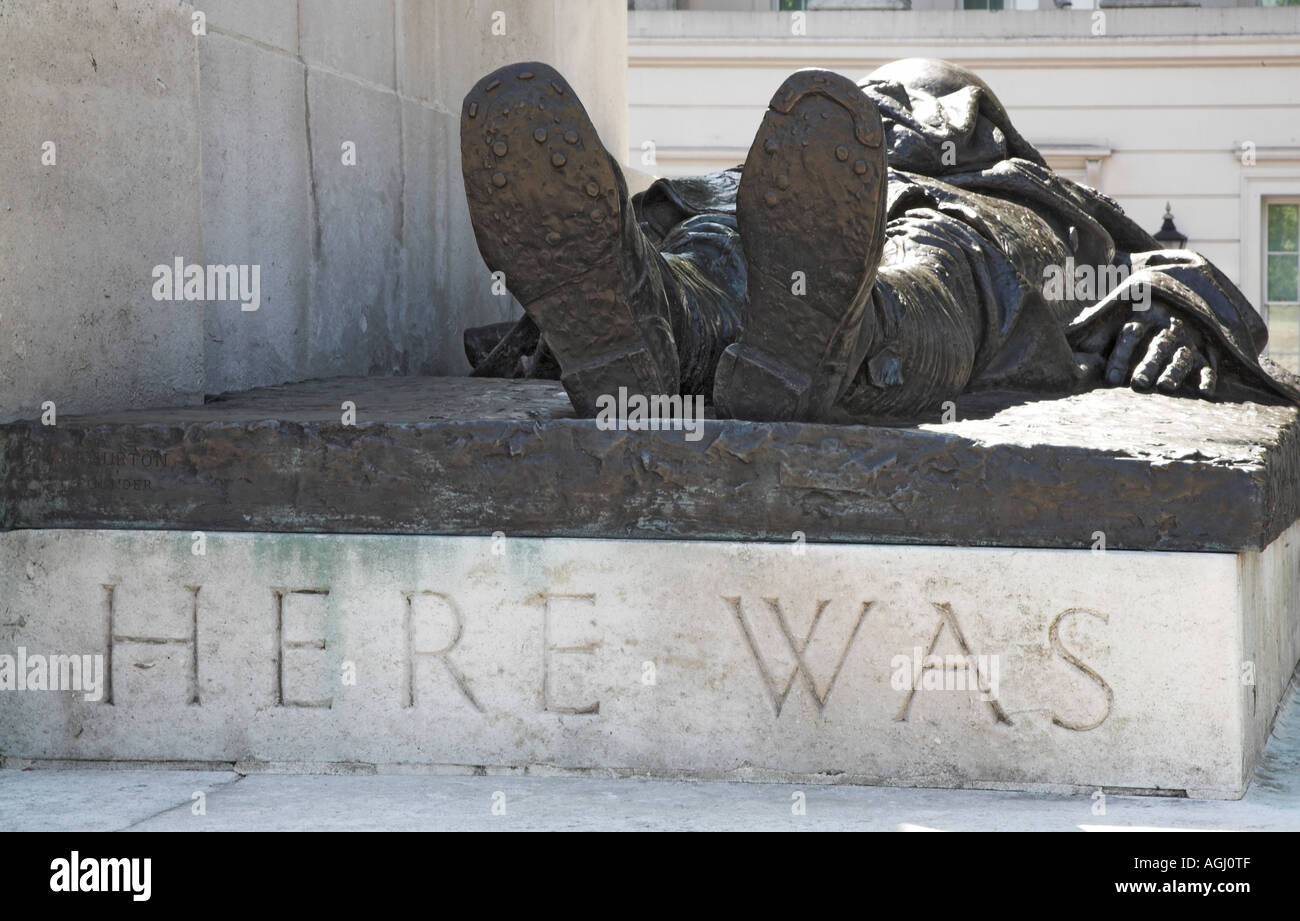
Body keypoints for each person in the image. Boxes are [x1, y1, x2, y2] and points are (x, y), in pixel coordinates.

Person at [460, 58, 1299, 422]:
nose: (905, 117)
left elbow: (1169, 262)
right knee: (729, 239)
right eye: (885, 106)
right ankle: (661, 322)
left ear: (981, 131)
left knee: (937, 266)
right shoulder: (799, 174)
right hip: (812, 221)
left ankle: (768, 332)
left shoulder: (1027, 193)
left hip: (937, 223)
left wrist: (1175, 316)